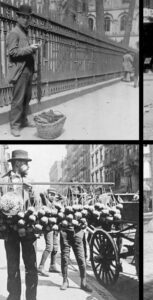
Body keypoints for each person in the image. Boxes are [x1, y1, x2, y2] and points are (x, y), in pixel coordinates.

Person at [1, 149, 38, 300]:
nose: (28, 166)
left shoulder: (31, 181)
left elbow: (38, 205)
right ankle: (14, 296)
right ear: (17, 164)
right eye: (25, 163)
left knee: (31, 266)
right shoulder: (3, 181)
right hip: (10, 229)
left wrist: (32, 192)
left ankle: (31, 297)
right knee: (12, 266)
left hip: (27, 228)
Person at [6, 4, 41, 137]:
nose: (26, 20)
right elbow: (12, 52)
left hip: (28, 70)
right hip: (20, 72)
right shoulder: (14, 33)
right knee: (18, 100)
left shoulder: (25, 32)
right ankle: (14, 126)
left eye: (28, 18)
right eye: (23, 17)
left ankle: (24, 121)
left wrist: (34, 68)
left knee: (27, 98)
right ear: (18, 17)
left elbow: (26, 51)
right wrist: (30, 48)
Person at [60, 206, 92, 292]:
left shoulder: (80, 212)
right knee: (64, 258)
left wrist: (82, 226)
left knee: (81, 259)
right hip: (65, 234)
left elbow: (85, 223)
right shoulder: (64, 213)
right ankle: (65, 281)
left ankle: (83, 283)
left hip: (77, 233)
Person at [37, 188, 60, 277]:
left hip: (55, 228)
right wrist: (43, 195)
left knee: (55, 247)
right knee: (49, 247)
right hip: (48, 228)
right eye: (51, 194)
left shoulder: (55, 204)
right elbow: (42, 196)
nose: (52, 196)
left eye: (54, 194)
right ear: (48, 195)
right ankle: (41, 267)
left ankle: (52, 265)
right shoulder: (46, 202)